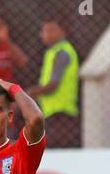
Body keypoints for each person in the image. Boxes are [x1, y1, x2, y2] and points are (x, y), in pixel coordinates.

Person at [28, 19, 79, 147]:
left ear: (63, 31)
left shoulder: (61, 53)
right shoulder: (53, 52)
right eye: (44, 31)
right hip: (54, 111)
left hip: (61, 113)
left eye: (51, 30)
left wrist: (30, 93)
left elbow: (53, 85)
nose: (46, 34)